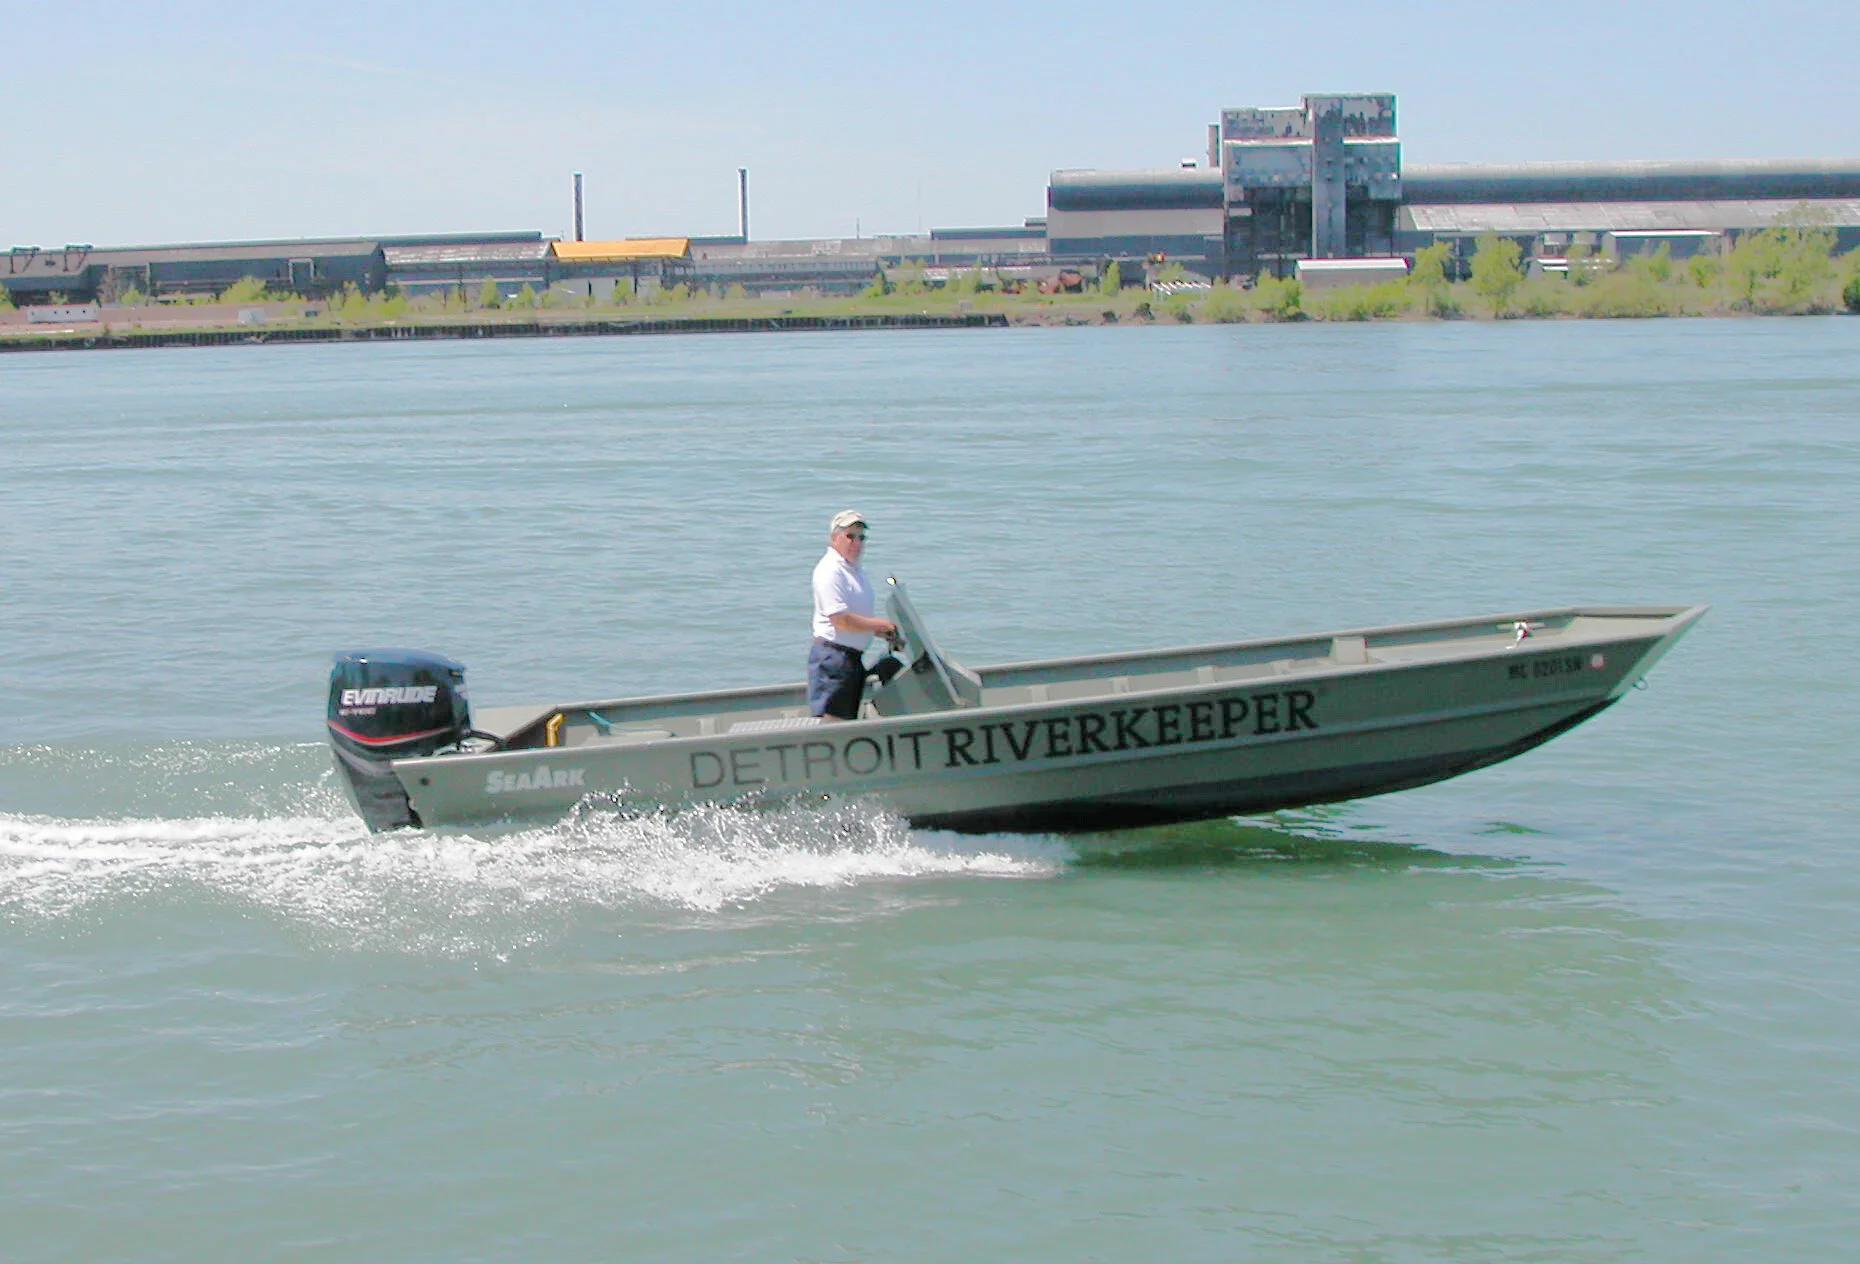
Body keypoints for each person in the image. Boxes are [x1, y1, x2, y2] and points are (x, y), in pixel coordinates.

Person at [808, 509, 899, 720]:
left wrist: (881, 632)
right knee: (834, 725)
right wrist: (880, 625)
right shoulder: (830, 571)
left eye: (861, 538)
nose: (856, 543)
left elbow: (856, 616)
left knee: (848, 719)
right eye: (850, 536)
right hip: (833, 659)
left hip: (851, 658)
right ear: (834, 538)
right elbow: (840, 619)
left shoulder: (854, 570)